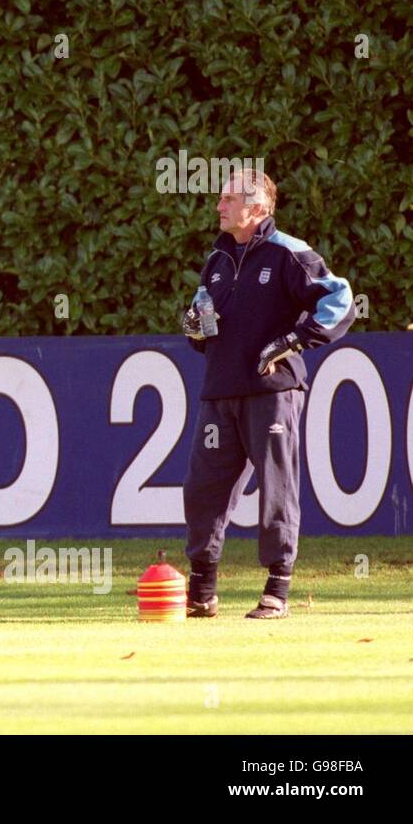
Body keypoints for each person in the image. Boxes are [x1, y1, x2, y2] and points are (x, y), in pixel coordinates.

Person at [181, 168, 355, 619]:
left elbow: (340, 300)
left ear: (257, 208)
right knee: (204, 489)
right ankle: (202, 592)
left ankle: (277, 590)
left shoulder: (290, 253)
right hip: (219, 391)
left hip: (272, 391)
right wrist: (195, 329)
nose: (219, 206)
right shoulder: (217, 261)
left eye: (228, 199)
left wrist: (292, 340)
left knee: (277, 488)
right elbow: (203, 326)